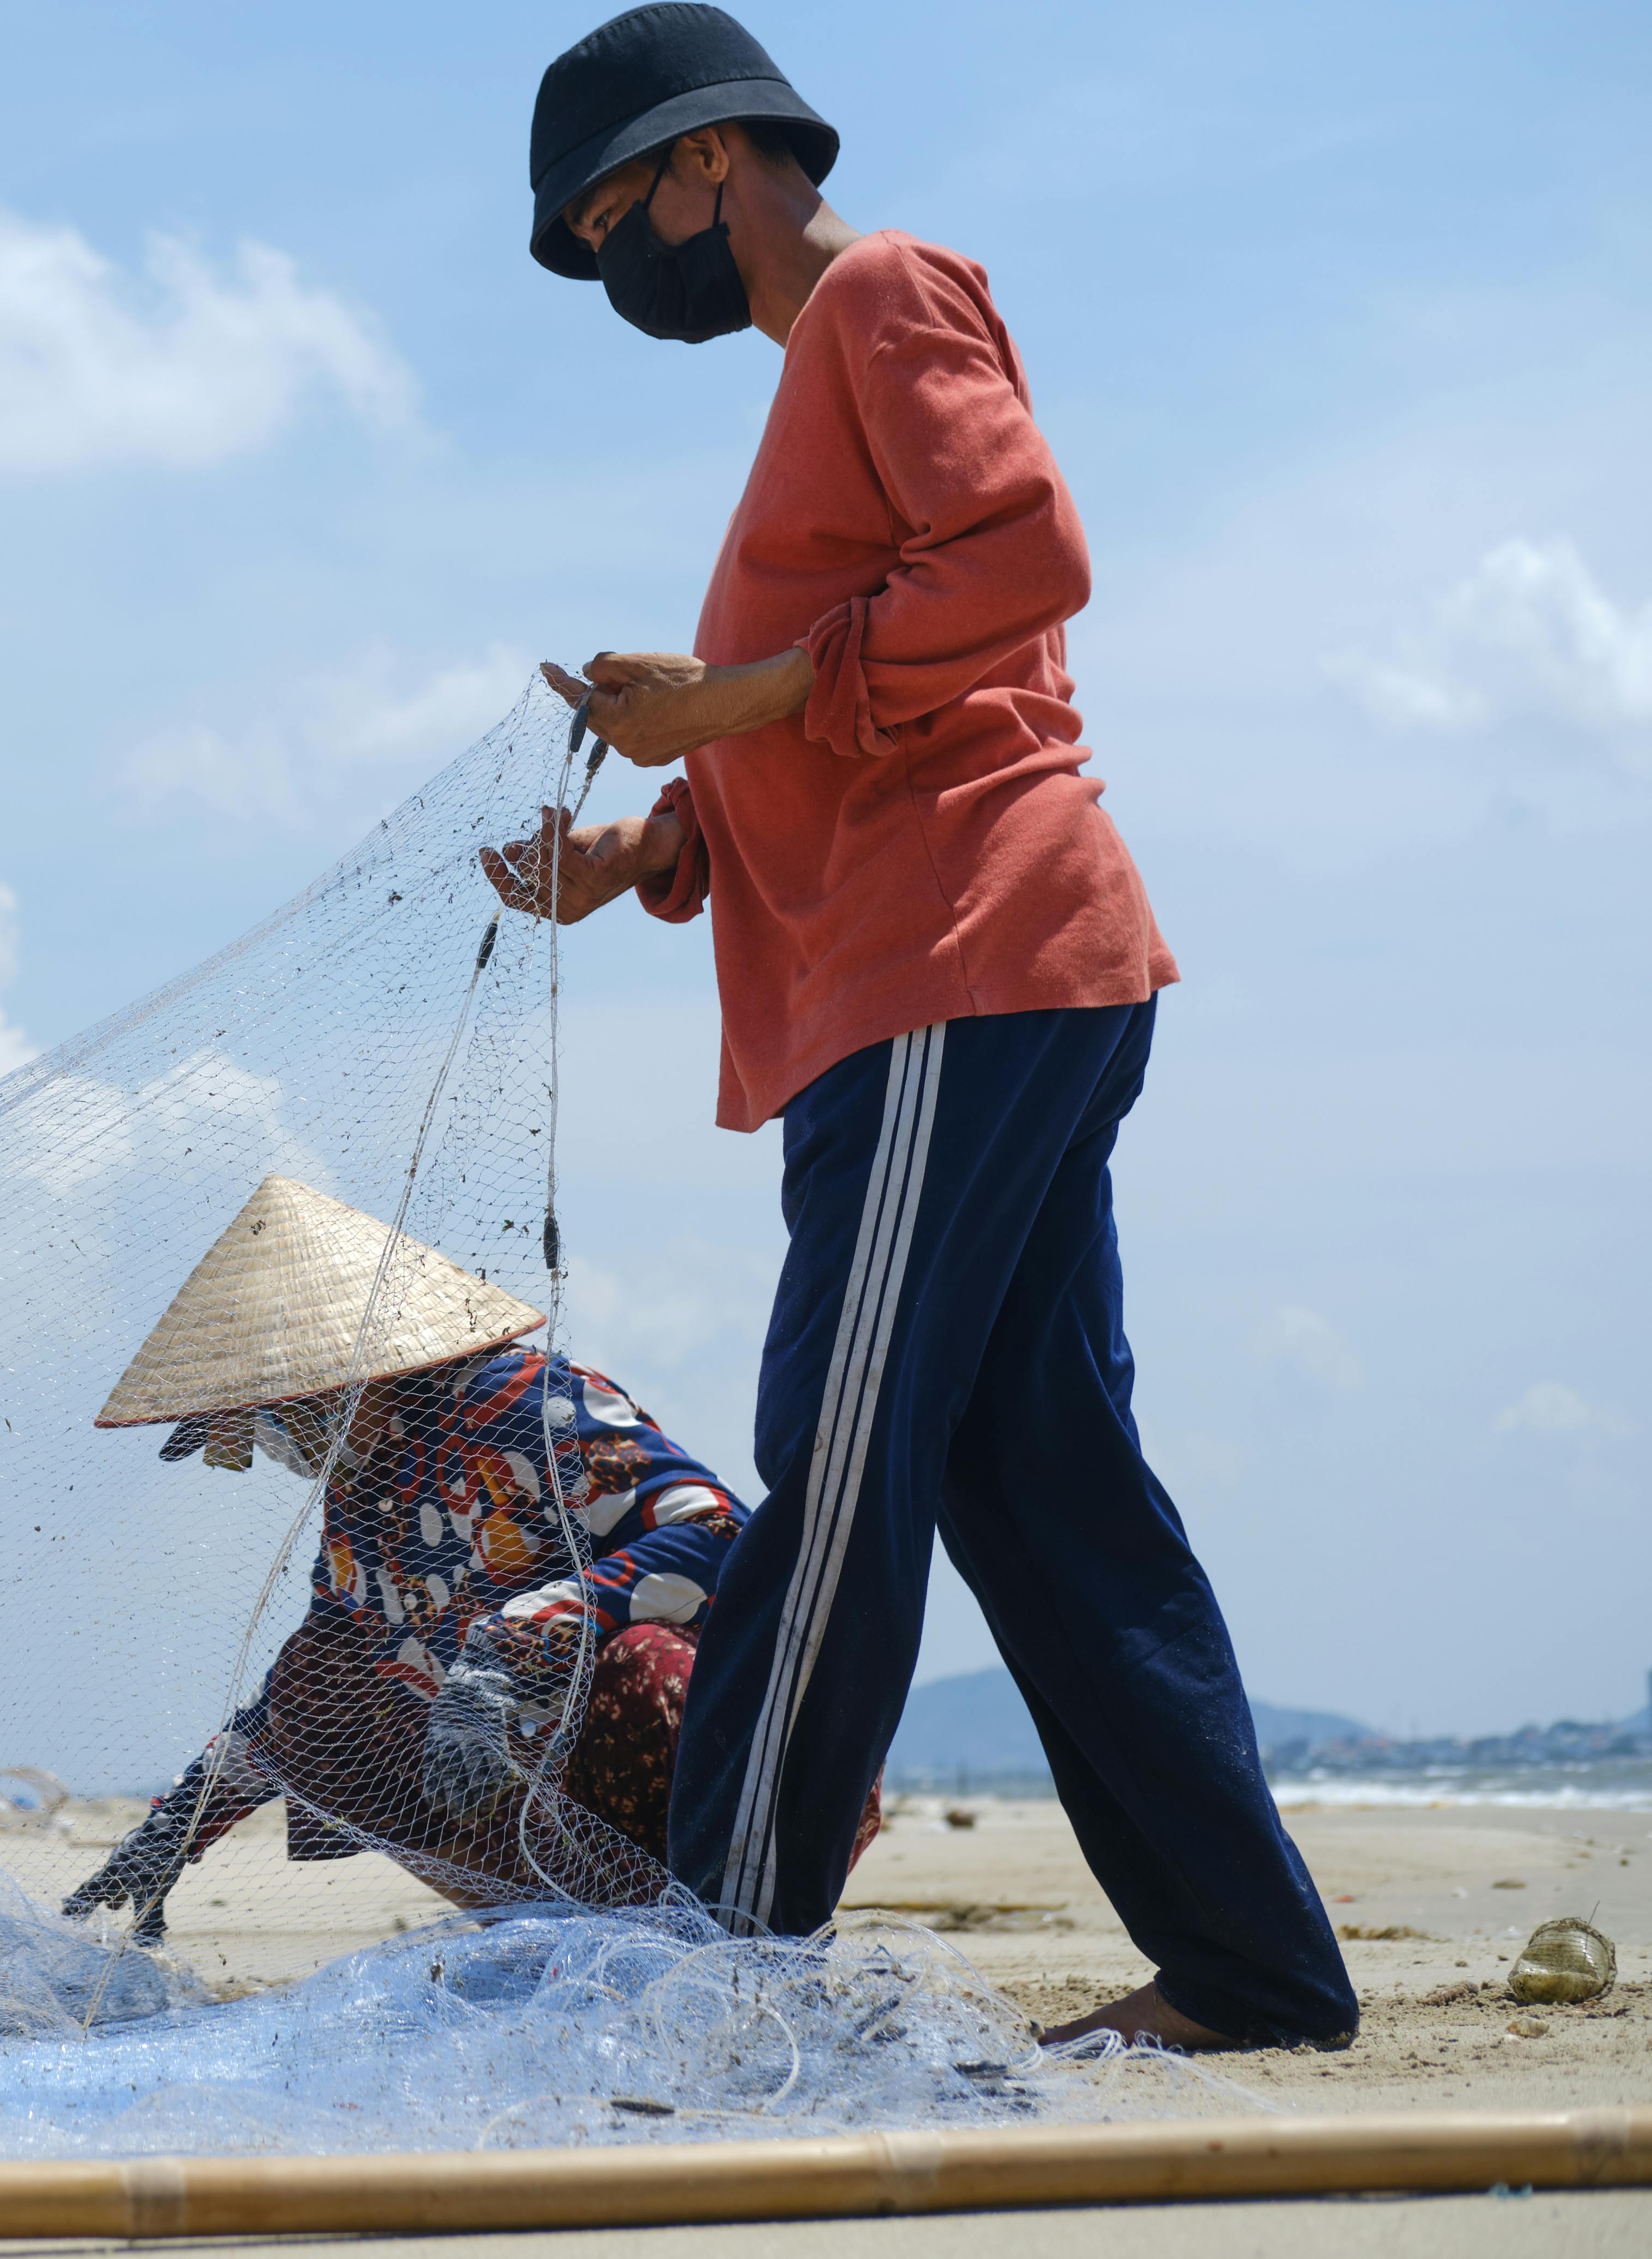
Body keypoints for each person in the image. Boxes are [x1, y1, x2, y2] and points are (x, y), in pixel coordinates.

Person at [480, 7, 1354, 2050]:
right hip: (988, 966)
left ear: (715, 165)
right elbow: (861, 701)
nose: (623, 259)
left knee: (850, 1447)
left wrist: (733, 696)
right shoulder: (819, 386)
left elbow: (1033, 551)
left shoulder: (881, 289)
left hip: (958, 964)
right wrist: (650, 838)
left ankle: (713, 1954)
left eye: (621, 212)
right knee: (1049, 1490)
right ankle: (1251, 1975)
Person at [62, 1177, 871, 1941]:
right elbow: (312, 1679)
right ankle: (547, 1930)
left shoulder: (531, 1407)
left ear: (350, 1381)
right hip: (539, 1785)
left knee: (641, 1667)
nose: (281, 1451)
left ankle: (730, 1926)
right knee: (324, 1696)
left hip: (753, 1762)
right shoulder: (363, 1487)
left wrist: (509, 1646)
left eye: (278, 1423)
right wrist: (177, 1828)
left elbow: (724, 1535)